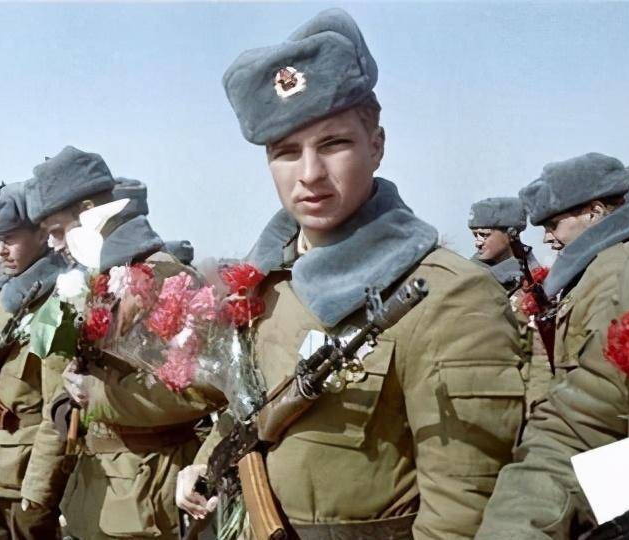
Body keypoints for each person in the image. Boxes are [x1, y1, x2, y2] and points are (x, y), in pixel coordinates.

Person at [174, 10, 525, 539]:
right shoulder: (267, 284)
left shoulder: (447, 296)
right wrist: (208, 459)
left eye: (333, 144)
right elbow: (250, 410)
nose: (309, 175)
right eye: (286, 152)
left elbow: (463, 509)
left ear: (376, 146)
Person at [25, 148, 221, 540]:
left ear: (88, 212)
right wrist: (38, 488)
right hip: (93, 494)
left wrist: (97, 395)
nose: (54, 245)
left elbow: (204, 388)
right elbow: (63, 392)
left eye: (58, 230)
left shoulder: (167, 278)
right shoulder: (88, 283)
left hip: (148, 495)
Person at [477, 153, 629, 538]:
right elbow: (589, 411)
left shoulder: (618, 271)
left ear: (595, 212)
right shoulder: (599, 269)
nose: (547, 237)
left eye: (554, 224)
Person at [0, 181, 71, 540]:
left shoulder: (57, 301)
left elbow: (59, 409)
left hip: (25, 477)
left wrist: (39, 487)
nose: (1, 251)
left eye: (9, 238)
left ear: (42, 233)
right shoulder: (2, 296)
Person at [469, 197, 552, 410]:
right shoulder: (469, 280)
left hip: (534, 383)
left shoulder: (536, 277)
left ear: (512, 234)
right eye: (474, 235)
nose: (477, 242)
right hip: (487, 387)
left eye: (484, 235)